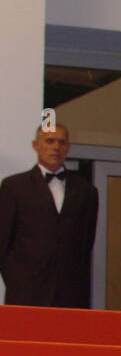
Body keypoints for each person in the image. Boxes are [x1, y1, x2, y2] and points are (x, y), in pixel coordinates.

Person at [0, 123, 97, 307]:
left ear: (67, 148)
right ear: (36, 145)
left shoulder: (87, 191)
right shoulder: (14, 187)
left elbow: (85, 246)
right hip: (25, 294)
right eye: (50, 141)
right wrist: (17, 281)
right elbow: (3, 242)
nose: (56, 147)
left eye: (61, 142)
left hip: (71, 296)